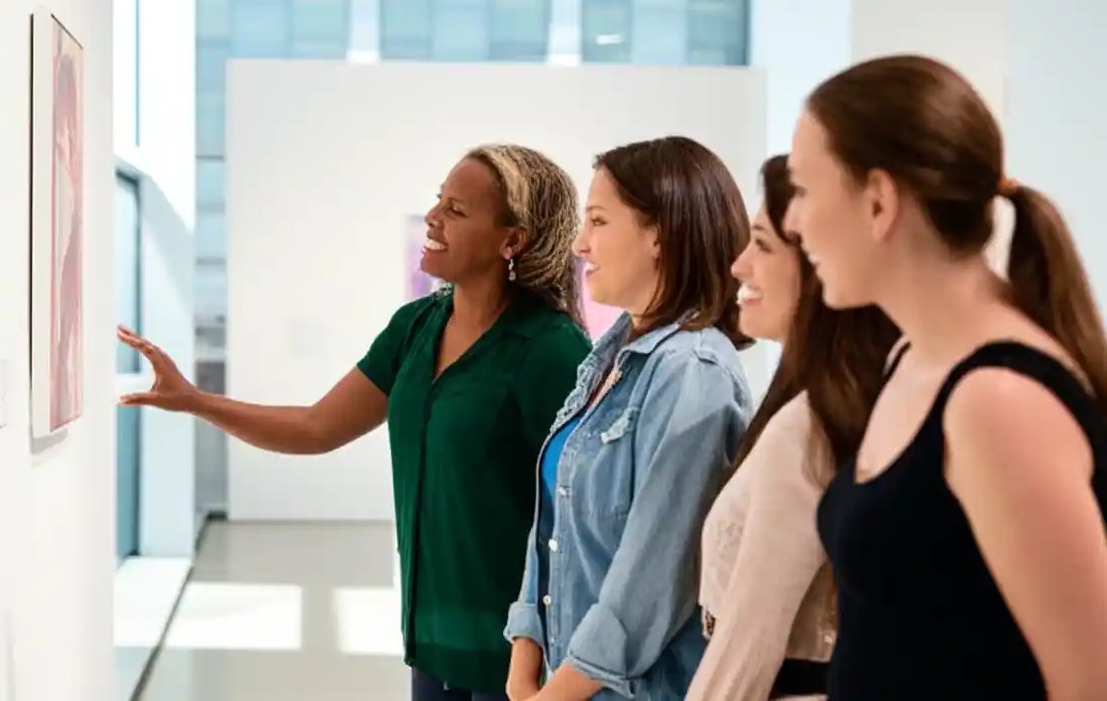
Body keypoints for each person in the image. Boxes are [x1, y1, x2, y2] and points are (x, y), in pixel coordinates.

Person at [118, 144, 592, 701]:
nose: (434, 218)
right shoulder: (417, 326)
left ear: (513, 240)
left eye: (457, 210)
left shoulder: (552, 350)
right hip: (429, 641)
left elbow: (578, 519)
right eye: (438, 201)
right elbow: (317, 427)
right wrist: (196, 400)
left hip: (515, 658)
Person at [786, 54, 1107, 699]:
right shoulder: (912, 358)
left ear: (878, 201)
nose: (793, 221)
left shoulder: (998, 402)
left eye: (802, 189)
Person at [502, 137, 754, 701]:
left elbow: (653, 581)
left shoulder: (694, 372)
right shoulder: (609, 357)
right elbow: (554, 528)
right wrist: (525, 657)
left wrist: (552, 695)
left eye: (598, 221)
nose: (579, 243)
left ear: (659, 235)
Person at [686, 155, 899, 700]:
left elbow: (748, 643)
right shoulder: (849, 405)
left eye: (761, 244)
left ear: (819, 260)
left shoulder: (808, 430)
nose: (737, 266)